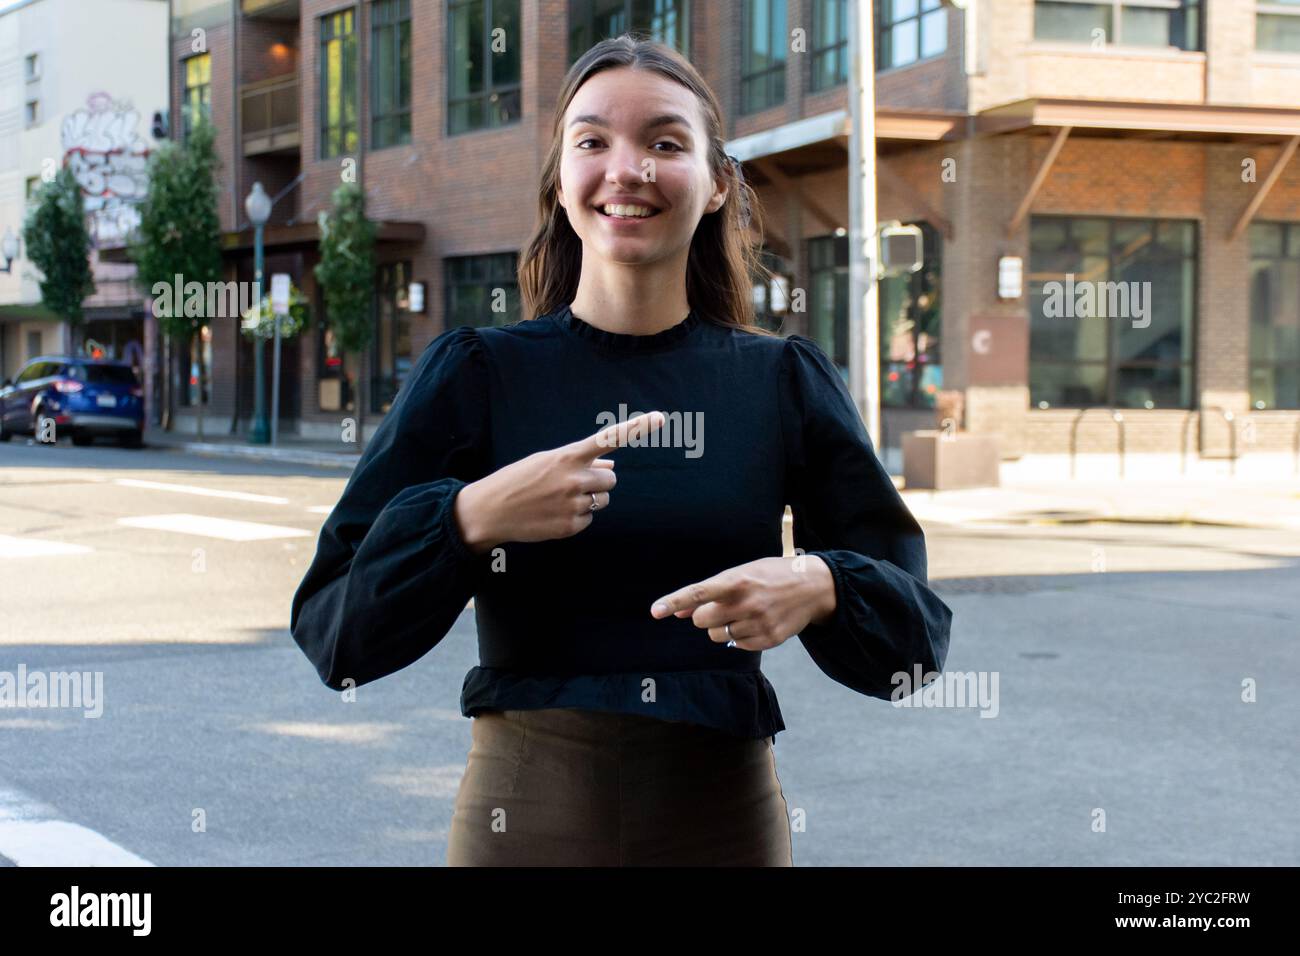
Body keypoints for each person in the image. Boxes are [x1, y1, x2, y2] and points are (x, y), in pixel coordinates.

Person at [289, 34, 953, 867]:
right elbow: (333, 634)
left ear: (715, 184)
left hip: (725, 829)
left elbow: (914, 649)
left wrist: (819, 583)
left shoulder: (780, 382)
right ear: (561, 183)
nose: (627, 169)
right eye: (592, 141)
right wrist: (469, 516)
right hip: (522, 826)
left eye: (665, 143)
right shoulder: (478, 375)